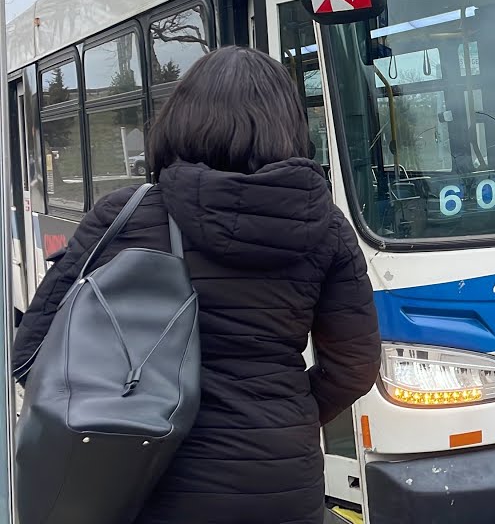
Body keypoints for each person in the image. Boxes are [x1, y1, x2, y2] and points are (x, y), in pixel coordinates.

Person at [12, 46, 383, 524]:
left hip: (150, 479)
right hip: (282, 482)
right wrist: (284, 410)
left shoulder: (123, 217)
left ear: (181, 119)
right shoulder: (327, 228)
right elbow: (355, 367)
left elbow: (30, 355)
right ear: (290, 127)